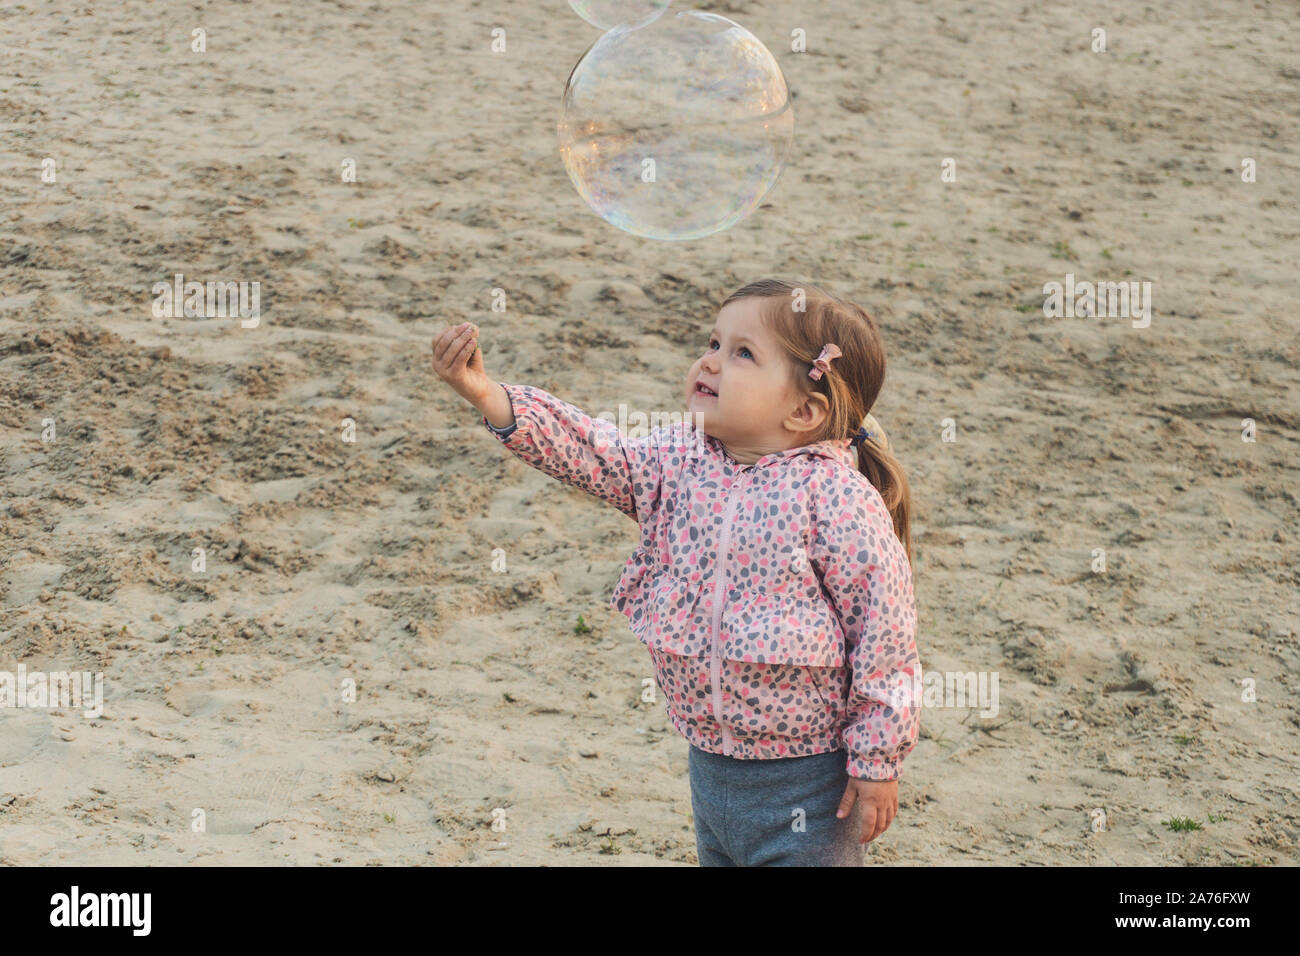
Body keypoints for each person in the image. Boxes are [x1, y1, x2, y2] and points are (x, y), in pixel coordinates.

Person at [432, 277, 921, 866]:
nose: (710, 362)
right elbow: (593, 450)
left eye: (742, 353)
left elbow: (885, 637)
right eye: (714, 342)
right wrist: (488, 395)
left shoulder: (837, 499)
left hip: (810, 787)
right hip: (709, 769)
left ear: (804, 409)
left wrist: (877, 760)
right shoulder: (678, 461)